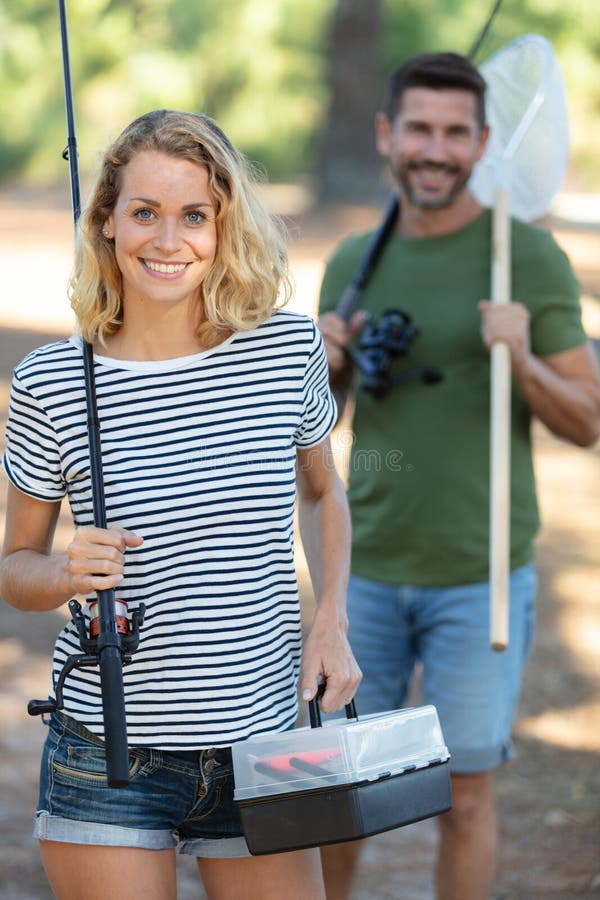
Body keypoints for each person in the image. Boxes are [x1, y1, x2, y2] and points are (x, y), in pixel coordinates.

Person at [0, 108, 361, 900]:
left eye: (194, 215)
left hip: (264, 745)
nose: (169, 242)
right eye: (145, 214)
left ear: (224, 223)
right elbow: (13, 570)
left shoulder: (284, 350)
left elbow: (322, 492)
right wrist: (63, 571)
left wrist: (329, 620)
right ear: (105, 223)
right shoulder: (52, 383)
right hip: (108, 752)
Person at [317, 52, 600, 900]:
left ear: (481, 142)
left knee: (464, 798)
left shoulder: (530, 257)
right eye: (419, 129)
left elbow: (587, 420)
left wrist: (521, 358)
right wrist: (324, 370)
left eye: (454, 132)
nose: (434, 150)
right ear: (386, 135)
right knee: (339, 794)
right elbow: (309, 443)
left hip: (477, 577)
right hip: (361, 571)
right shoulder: (352, 261)